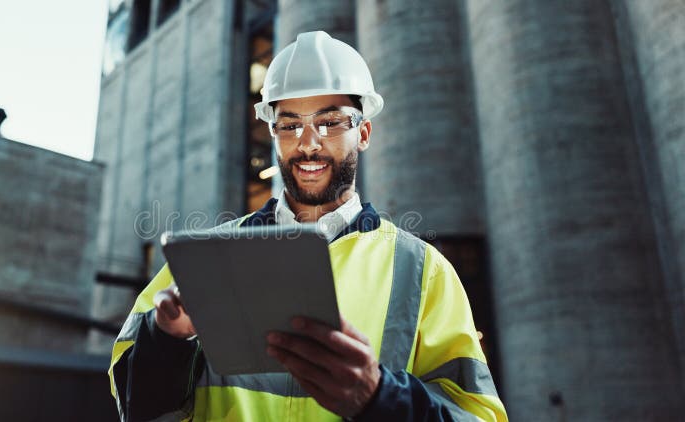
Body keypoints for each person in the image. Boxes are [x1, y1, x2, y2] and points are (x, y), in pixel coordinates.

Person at [108, 31, 508, 421]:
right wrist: (168, 340)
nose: (308, 143)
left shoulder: (423, 271)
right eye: (289, 124)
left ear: (363, 132)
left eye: (330, 122)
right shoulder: (210, 259)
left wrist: (380, 397)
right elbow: (134, 406)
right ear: (273, 133)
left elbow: (476, 416)